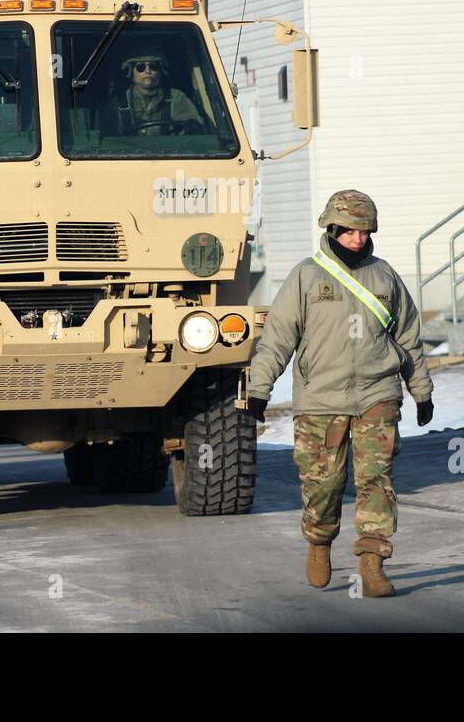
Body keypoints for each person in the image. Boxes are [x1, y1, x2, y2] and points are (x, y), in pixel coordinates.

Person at [245, 190, 435, 598]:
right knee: (323, 484)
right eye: (349, 230)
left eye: (364, 231)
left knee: (376, 480)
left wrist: (422, 392)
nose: (358, 238)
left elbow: (409, 339)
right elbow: (277, 338)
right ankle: (318, 541)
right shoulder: (306, 276)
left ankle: (372, 564)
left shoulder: (385, 276)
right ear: (331, 228)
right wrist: (258, 390)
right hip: (320, 399)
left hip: (377, 393)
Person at [99, 52, 206, 136]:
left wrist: (190, 126)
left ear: (161, 72)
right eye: (140, 67)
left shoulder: (176, 98)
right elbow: (109, 140)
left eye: (153, 66)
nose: (147, 71)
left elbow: (194, 133)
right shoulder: (117, 103)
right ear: (131, 72)